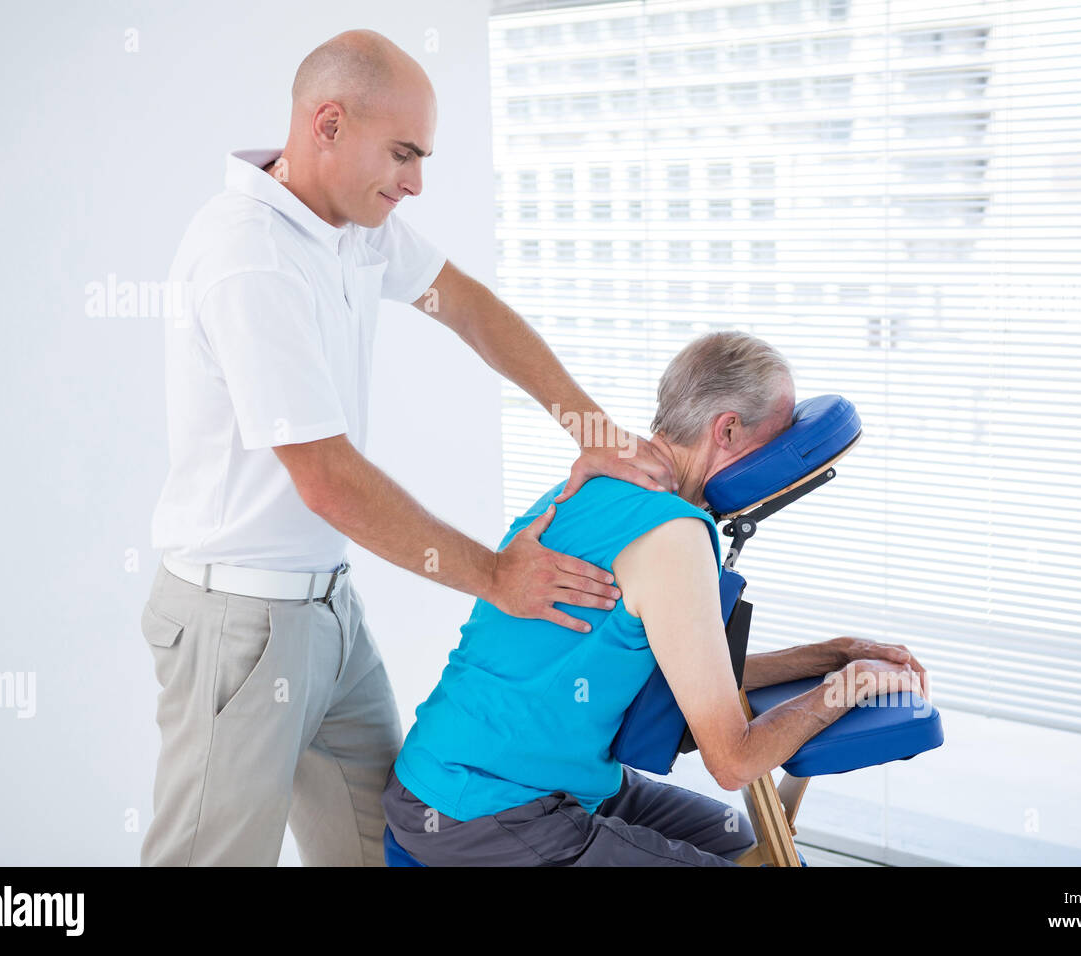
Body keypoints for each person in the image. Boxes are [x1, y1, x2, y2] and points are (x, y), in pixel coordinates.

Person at [139, 29, 677, 867]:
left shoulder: (350, 224)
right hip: (238, 623)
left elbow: (468, 306)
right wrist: (498, 576)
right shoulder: (251, 256)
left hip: (328, 613)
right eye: (402, 154)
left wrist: (595, 432)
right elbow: (326, 479)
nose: (416, 182)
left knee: (392, 846)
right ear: (327, 124)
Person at [383, 331, 929, 866]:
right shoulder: (675, 535)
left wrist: (831, 655)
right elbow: (734, 762)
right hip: (483, 809)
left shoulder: (597, 483)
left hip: (540, 776)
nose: (785, 453)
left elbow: (690, 675)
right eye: (780, 434)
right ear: (729, 430)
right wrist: (846, 688)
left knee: (747, 841)